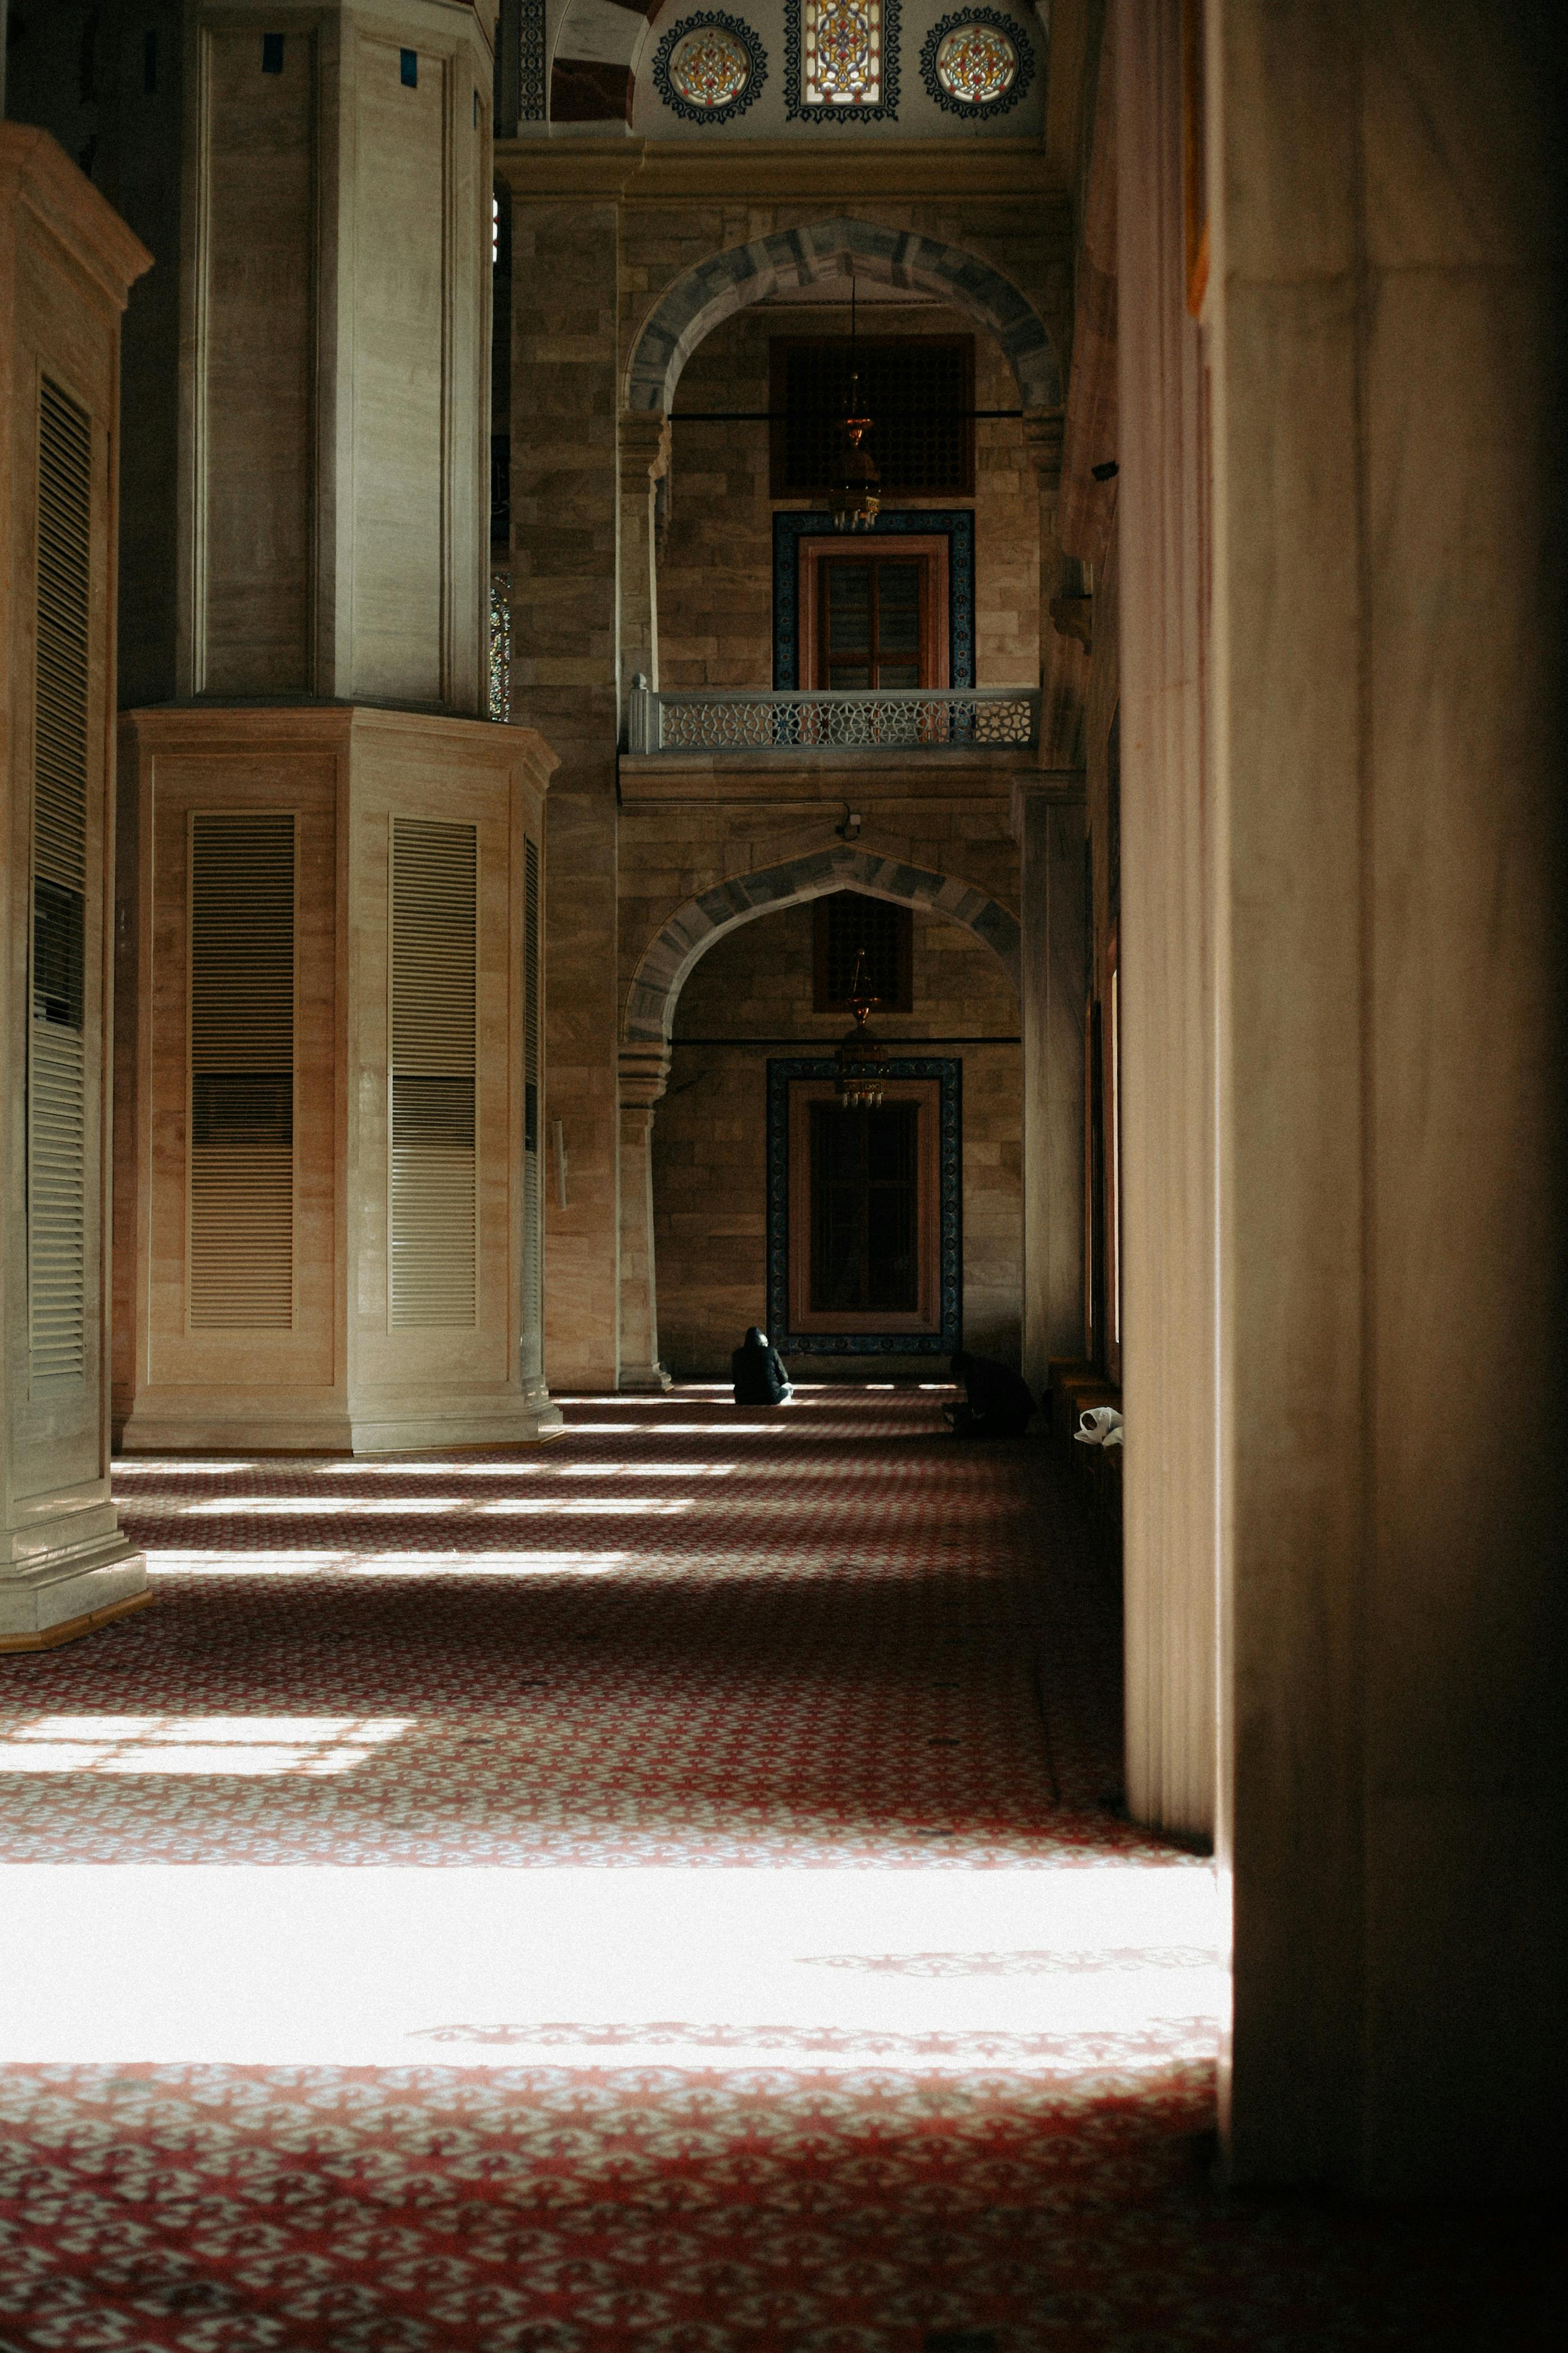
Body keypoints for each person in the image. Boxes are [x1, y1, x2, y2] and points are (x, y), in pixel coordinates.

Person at [942, 1349, 1036, 1438]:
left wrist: (962, 1415)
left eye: (960, 1374)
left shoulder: (981, 1374)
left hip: (1013, 1418)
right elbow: (977, 1405)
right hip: (1013, 1416)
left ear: (965, 1368)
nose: (961, 1378)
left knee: (967, 1429)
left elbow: (980, 1408)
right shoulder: (979, 1369)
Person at [731, 1327, 792, 1406]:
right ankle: (781, 1403)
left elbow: (735, 1380)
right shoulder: (772, 1352)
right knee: (789, 1387)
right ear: (763, 1343)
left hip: (745, 1399)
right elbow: (784, 1379)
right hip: (770, 1398)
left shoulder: (737, 1354)